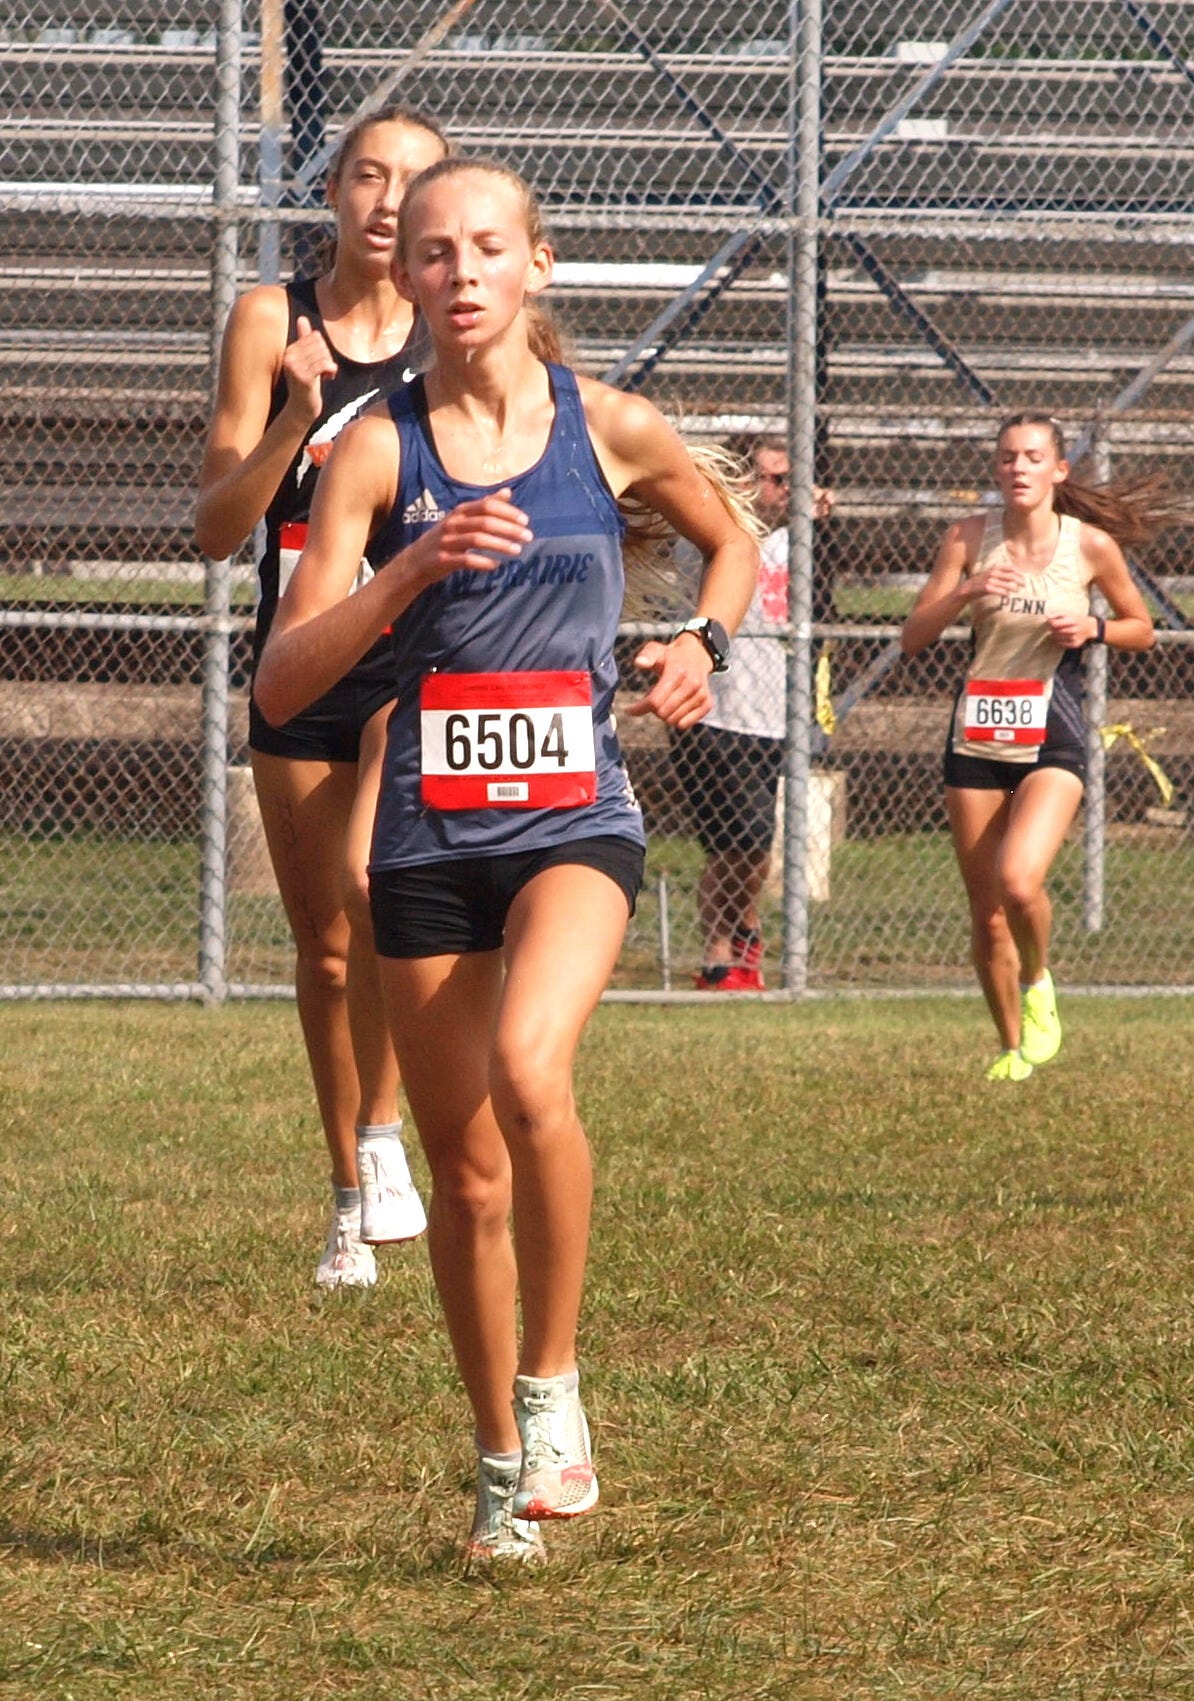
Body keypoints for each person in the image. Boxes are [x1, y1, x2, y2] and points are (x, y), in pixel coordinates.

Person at [253, 156, 759, 1561]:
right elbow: (287, 682)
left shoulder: (608, 428)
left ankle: (555, 1388)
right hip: (423, 836)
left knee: (534, 1070)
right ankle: (494, 1469)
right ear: (401, 277)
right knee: (464, 1179)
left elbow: (733, 544)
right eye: (432, 252)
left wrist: (701, 646)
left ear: (537, 263)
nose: (460, 272)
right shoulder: (370, 445)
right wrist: (407, 570)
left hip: (573, 825)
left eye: (487, 247)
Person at [194, 105, 449, 1287]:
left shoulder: (457, 328)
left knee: (374, 884)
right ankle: (351, 1190)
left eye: (414, 181)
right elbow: (212, 528)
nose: (389, 199)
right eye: (367, 175)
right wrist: (298, 412)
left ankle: (392, 1139)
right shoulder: (270, 318)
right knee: (327, 951)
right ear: (333, 193)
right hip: (299, 658)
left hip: (414, 655)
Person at [901, 412, 1160, 1080]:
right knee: (986, 913)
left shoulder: (1091, 546)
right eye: (1008, 456)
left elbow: (1143, 628)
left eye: (1033, 456)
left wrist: (1095, 627)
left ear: (1058, 469)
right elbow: (913, 637)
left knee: (1020, 879)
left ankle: (1039, 981)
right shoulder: (966, 537)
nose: (1019, 467)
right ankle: (1014, 1050)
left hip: (1053, 728)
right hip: (977, 733)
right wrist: (966, 589)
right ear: (997, 467)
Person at [672, 435, 834, 990]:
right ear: (742, 483)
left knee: (754, 846)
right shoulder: (706, 539)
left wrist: (822, 520)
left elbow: (825, 599)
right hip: (714, 711)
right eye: (776, 479)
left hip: (773, 714)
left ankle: (745, 928)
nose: (788, 491)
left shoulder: (797, 542)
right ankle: (720, 950)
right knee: (733, 839)